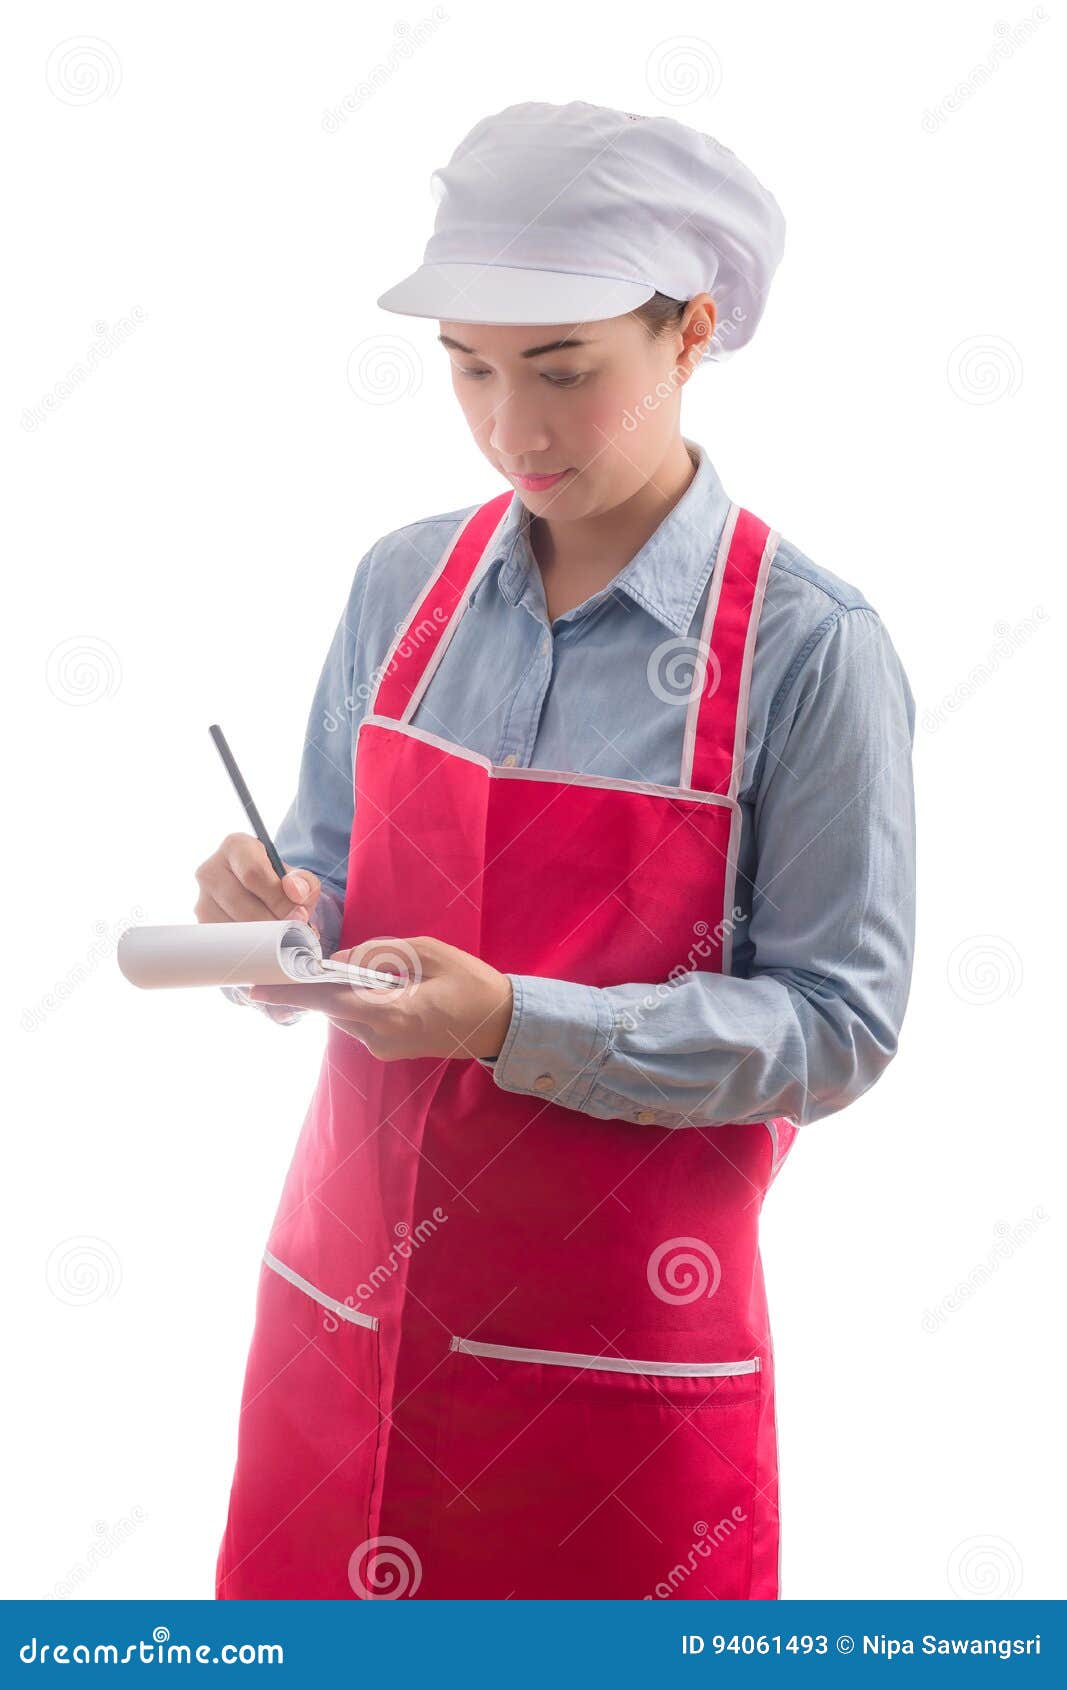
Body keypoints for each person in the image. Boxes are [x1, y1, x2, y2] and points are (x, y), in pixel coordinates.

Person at [200, 100, 916, 1601]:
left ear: (691, 333)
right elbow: (324, 888)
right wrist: (266, 926)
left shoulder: (804, 650)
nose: (512, 427)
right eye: (467, 367)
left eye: (565, 371)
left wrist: (513, 1023)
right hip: (340, 1334)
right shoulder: (402, 584)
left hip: (615, 1387)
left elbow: (838, 1026)